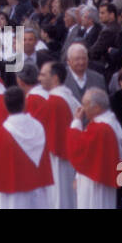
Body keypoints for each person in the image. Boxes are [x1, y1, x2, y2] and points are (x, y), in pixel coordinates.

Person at [0, 87, 53, 209]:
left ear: (5, 105)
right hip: (36, 185)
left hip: (12, 190)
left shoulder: (0, 135)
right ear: (25, 103)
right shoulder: (38, 127)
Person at [67, 88, 122, 209]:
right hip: (99, 177)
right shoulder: (109, 122)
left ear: (97, 108)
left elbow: (79, 149)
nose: (82, 108)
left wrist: (76, 122)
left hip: (95, 181)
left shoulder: (101, 128)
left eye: (85, 104)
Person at [31, 60, 79, 208]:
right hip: (68, 155)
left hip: (55, 157)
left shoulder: (54, 102)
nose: (39, 79)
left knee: (58, 196)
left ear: (55, 78)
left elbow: (36, 128)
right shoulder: (69, 97)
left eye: (43, 75)